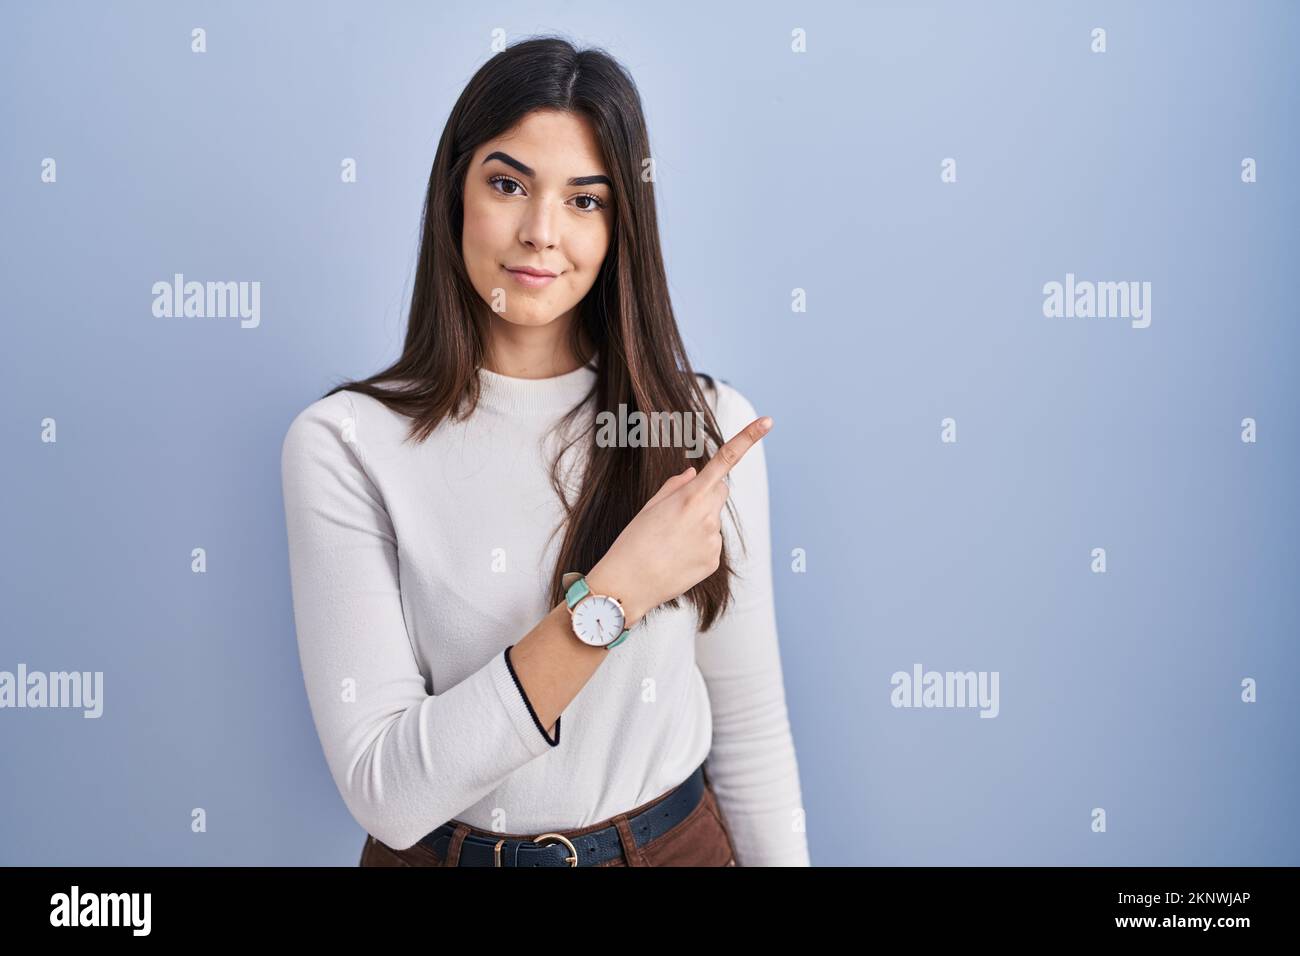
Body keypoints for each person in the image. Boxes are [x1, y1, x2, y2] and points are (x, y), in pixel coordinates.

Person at [279, 35, 809, 866]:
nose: (540, 232)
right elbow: (385, 789)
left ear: (621, 223)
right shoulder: (346, 445)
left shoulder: (700, 429)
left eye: (585, 200)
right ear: (455, 192)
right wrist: (615, 597)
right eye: (507, 184)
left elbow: (748, 727)